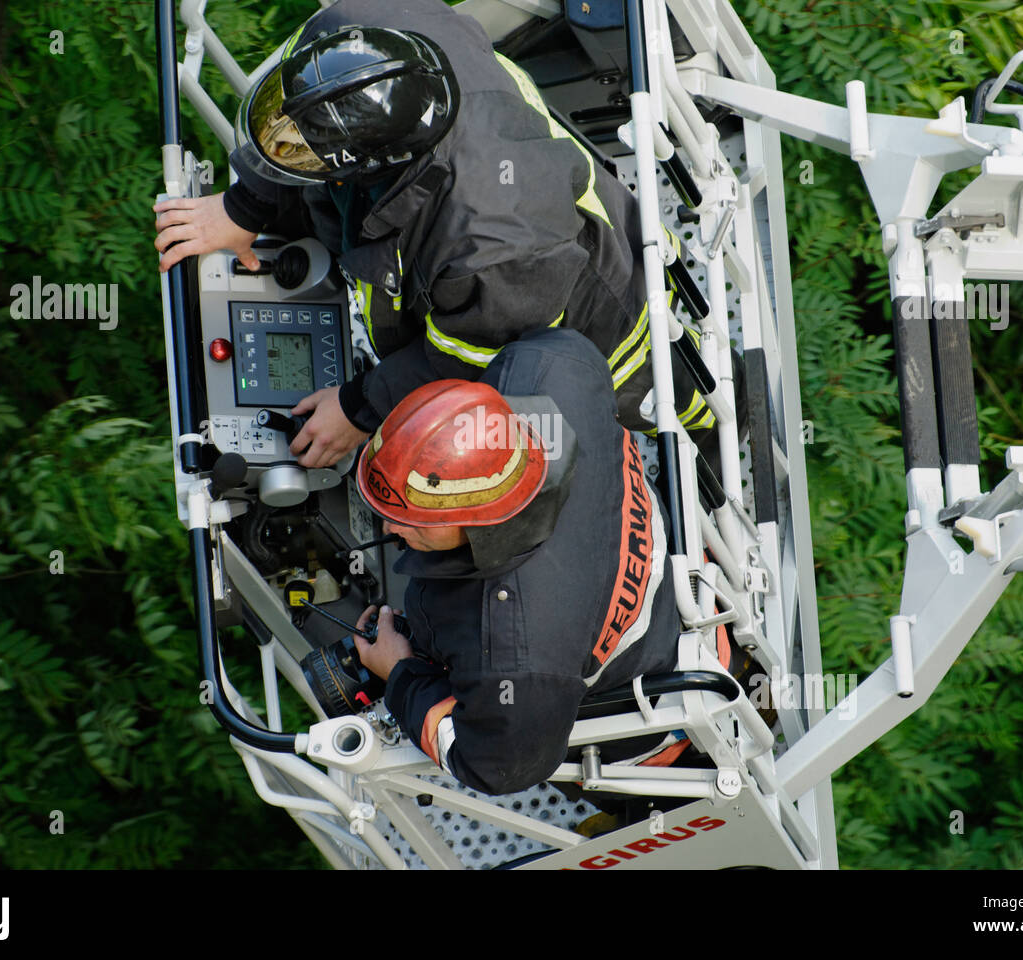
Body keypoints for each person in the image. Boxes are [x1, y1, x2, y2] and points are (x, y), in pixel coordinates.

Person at [152, 0, 732, 473]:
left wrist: (359, 409)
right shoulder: (365, 25)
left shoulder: (493, 249)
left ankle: (715, 428)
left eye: (307, 156)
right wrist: (243, 207)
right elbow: (312, 110)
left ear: (379, 164)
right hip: (505, 225)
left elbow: (462, 359)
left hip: (615, 315)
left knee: (677, 403)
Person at [347, 328, 686, 795]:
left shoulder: (513, 652)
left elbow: (497, 767)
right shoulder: (550, 366)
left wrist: (401, 675)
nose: (389, 530)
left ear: (477, 520)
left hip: (651, 749)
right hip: (668, 580)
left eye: (411, 520)